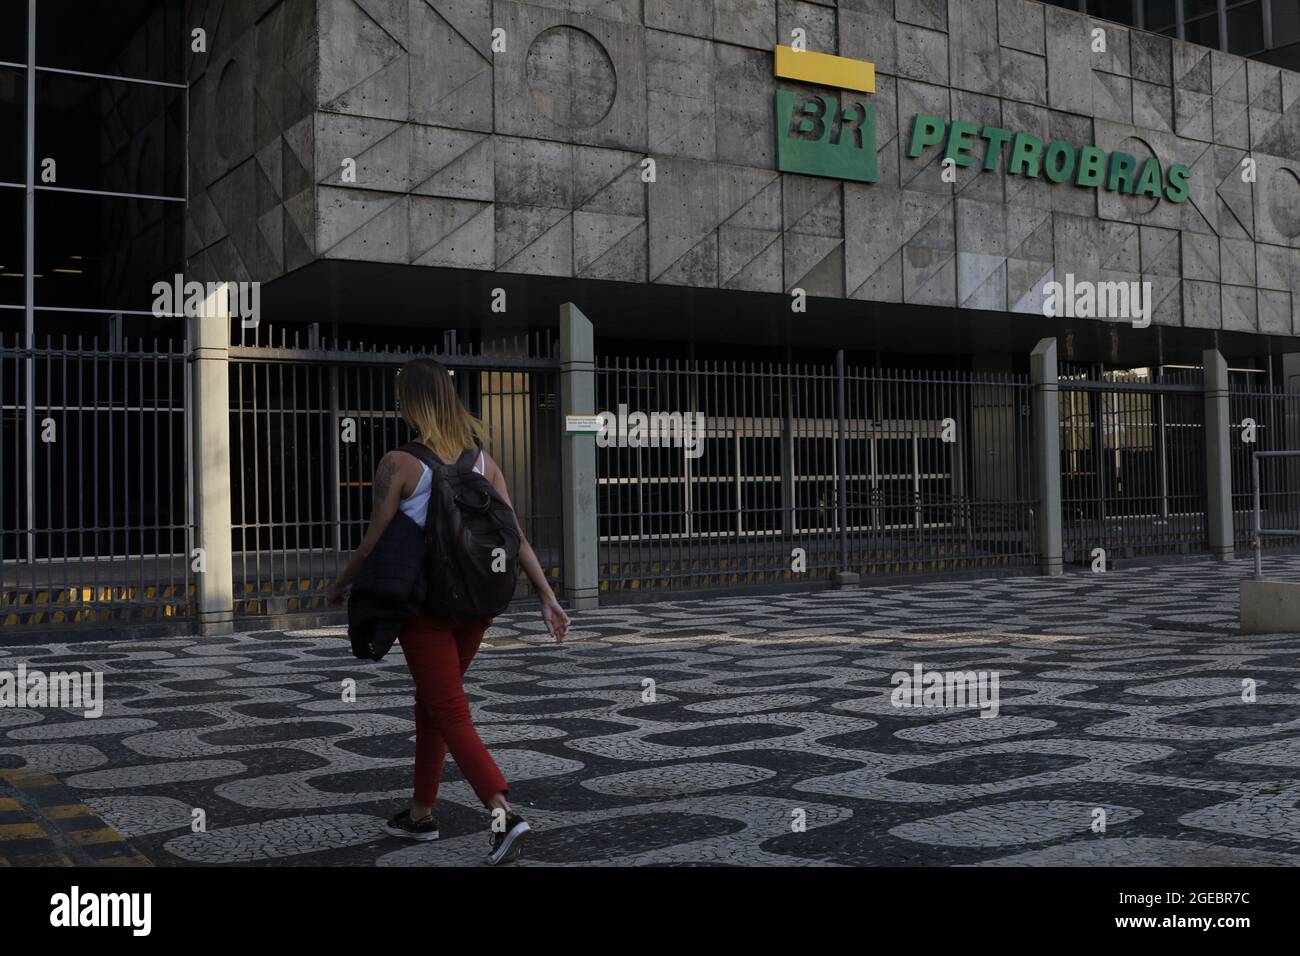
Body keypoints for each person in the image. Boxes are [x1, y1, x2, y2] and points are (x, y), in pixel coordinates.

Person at [327, 358, 570, 865]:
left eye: (400, 395)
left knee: (449, 709)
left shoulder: (399, 463)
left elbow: (373, 542)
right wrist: (547, 596)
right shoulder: (483, 462)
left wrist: (341, 585)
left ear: (412, 402)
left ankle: (503, 812)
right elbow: (516, 535)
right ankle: (420, 814)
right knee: (435, 703)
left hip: (428, 610)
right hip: (477, 606)